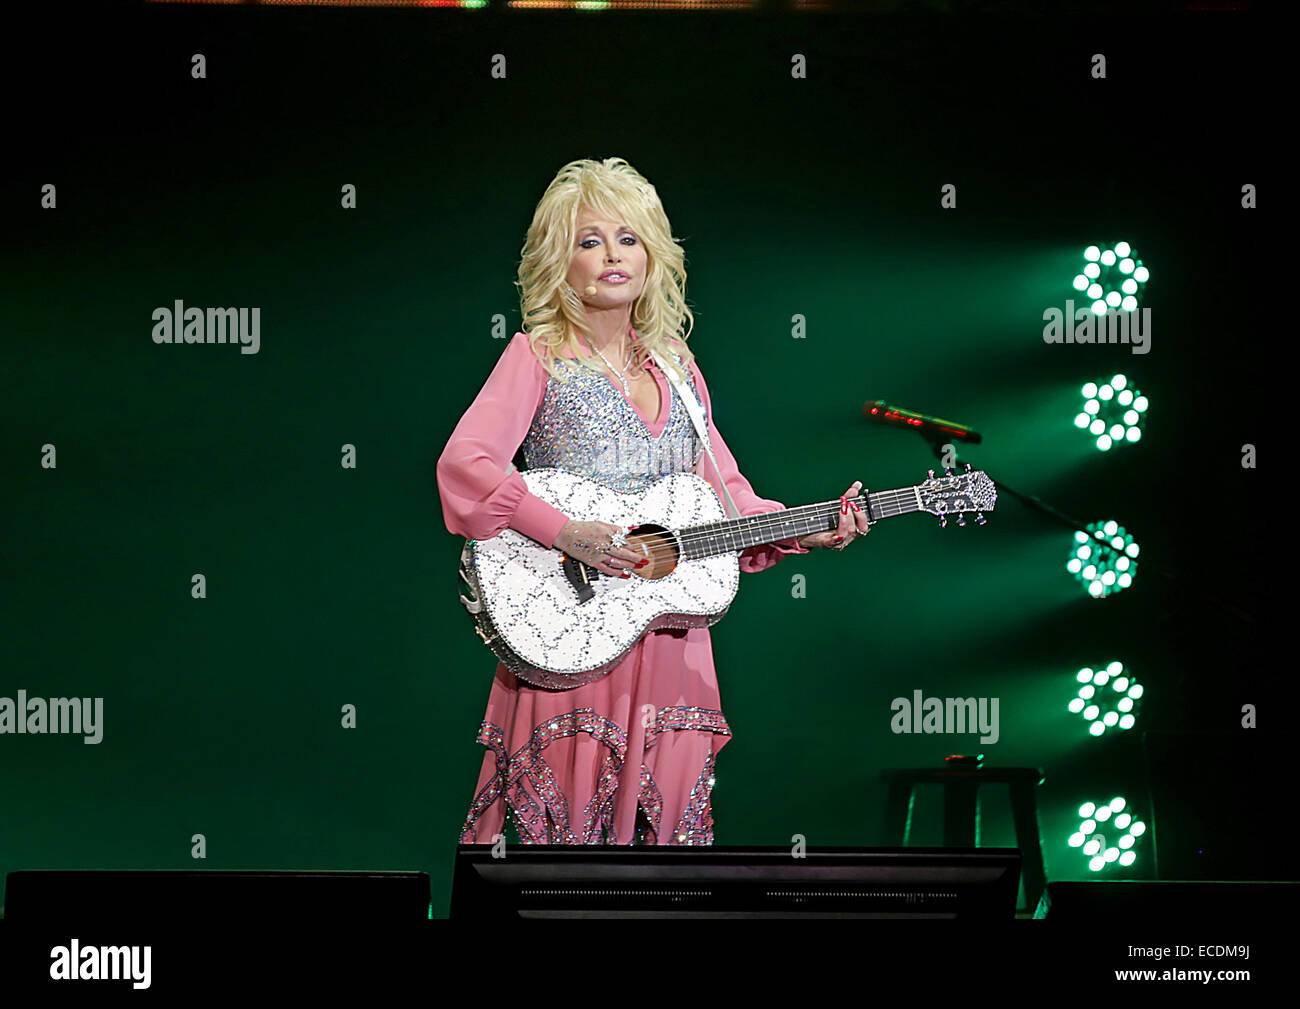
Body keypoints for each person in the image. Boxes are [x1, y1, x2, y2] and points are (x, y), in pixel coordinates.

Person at [437, 157, 869, 846]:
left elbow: (727, 501)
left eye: (629, 238)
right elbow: (466, 465)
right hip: (569, 632)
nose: (612, 254)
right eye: (589, 239)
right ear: (560, 262)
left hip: (674, 647)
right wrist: (562, 529)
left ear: (653, 256)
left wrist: (806, 531)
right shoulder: (538, 354)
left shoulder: (677, 366)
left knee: (664, 867)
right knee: (563, 871)